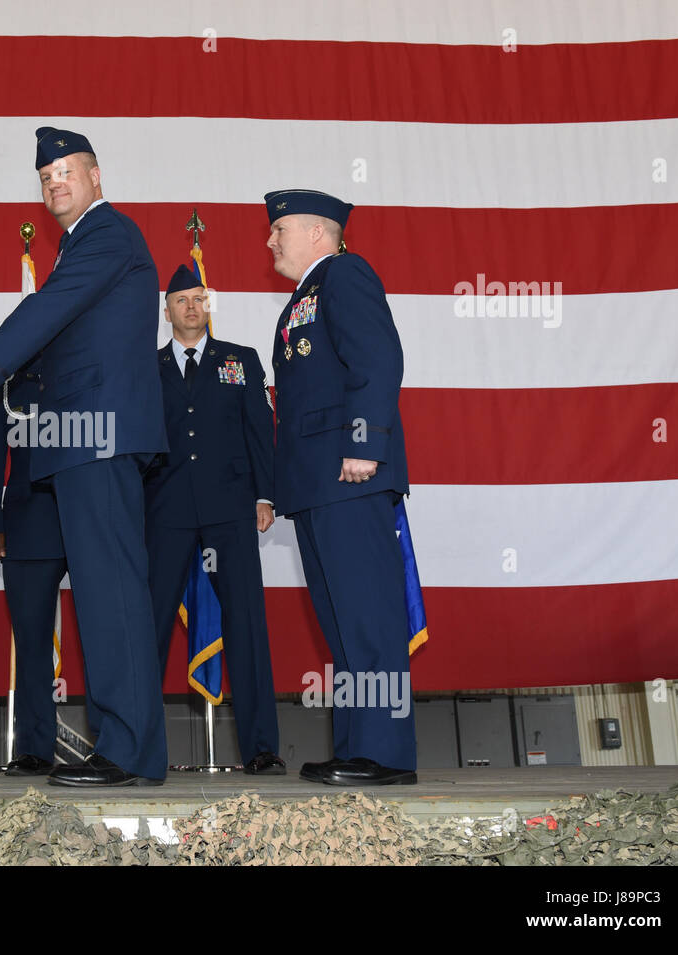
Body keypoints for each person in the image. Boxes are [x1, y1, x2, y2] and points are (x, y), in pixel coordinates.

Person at [0, 127, 169, 786]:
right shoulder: (78, 248)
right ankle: (128, 747)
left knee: (112, 593)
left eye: (67, 170)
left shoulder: (109, 234)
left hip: (100, 435)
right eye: (45, 175)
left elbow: (49, 312)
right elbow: (53, 333)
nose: (55, 181)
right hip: (80, 440)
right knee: (103, 594)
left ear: (96, 177)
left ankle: (127, 748)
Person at [263, 188, 417, 785]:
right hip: (316, 484)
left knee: (370, 618)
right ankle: (359, 747)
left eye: (281, 230)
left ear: (317, 234)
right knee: (343, 625)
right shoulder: (301, 298)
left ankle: (386, 754)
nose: (270, 240)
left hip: (351, 474)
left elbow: (377, 359)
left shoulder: (346, 275)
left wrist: (364, 444)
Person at [143, 264, 285, 774]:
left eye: (197, 299)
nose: (189, 307)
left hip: (229, 509)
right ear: (167, 312)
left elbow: (258, 431)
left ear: (208, 306)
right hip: (165, 512)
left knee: (246, 624)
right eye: (180, 300)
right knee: (150, 628)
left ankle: (262, 748)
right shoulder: (147, 364)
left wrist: (265, 496)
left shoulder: (239, 361)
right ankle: (141, 747)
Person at [0, 354, 70, 776]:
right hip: (28, 522)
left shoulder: (83, 370)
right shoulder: (6, 384)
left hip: (87, 518)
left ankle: (115, 745)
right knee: (32, 645)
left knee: (107, 639)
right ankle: (34, 747)